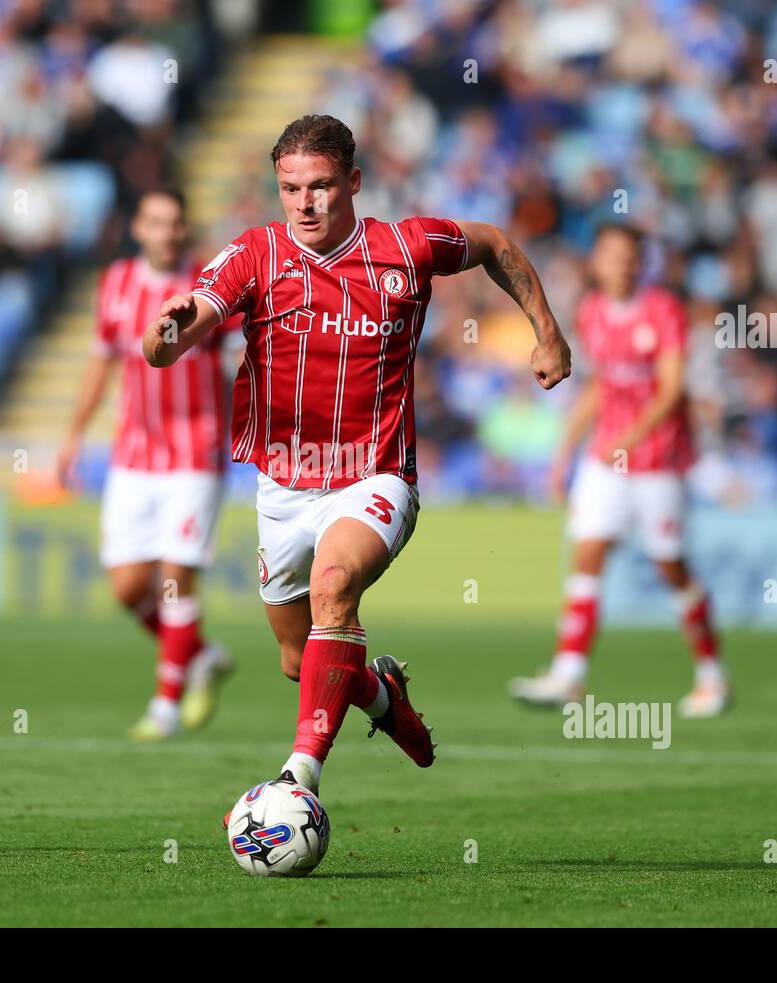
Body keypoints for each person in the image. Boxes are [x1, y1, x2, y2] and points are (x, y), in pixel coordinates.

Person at [141, 115, 571, 795]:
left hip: (376, 475)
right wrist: (164, 336)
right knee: (297, 659)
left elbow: (494, 244)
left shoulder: (408, 246)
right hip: (283, 488)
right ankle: (381, 695)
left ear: (355, 182)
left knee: (335, 588)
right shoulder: (256, 254)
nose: (305, 203)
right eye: (290, 188)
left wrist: (545, 332)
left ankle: (297, 778)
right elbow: (189, 318)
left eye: (320, 186)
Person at [510, 223, 730, 718]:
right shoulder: (591, 313)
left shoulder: (663, 310)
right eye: (610, 255)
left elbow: (673, 389)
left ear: (640, 262)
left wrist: (628, 440)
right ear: (596, 262)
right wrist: (565, 451)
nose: (620, 265)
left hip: (657, 461)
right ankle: (568, 674)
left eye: (629, 256)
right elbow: (600, 387)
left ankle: (711, 674)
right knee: (588, 554)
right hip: (604, 459)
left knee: (670, 565)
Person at [57, 188, 233, 741]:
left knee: (177, 577)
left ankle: (165, 705)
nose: (167, 232)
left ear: (185, 229)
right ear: (139, 227)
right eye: (157, 222)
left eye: (176, 223)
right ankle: (198, 655)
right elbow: (100, 364)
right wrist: (72, 436)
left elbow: (242, 361)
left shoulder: (210, 287)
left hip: (195, 453)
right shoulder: (115, 285)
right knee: (129, 589)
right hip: (133, 454)